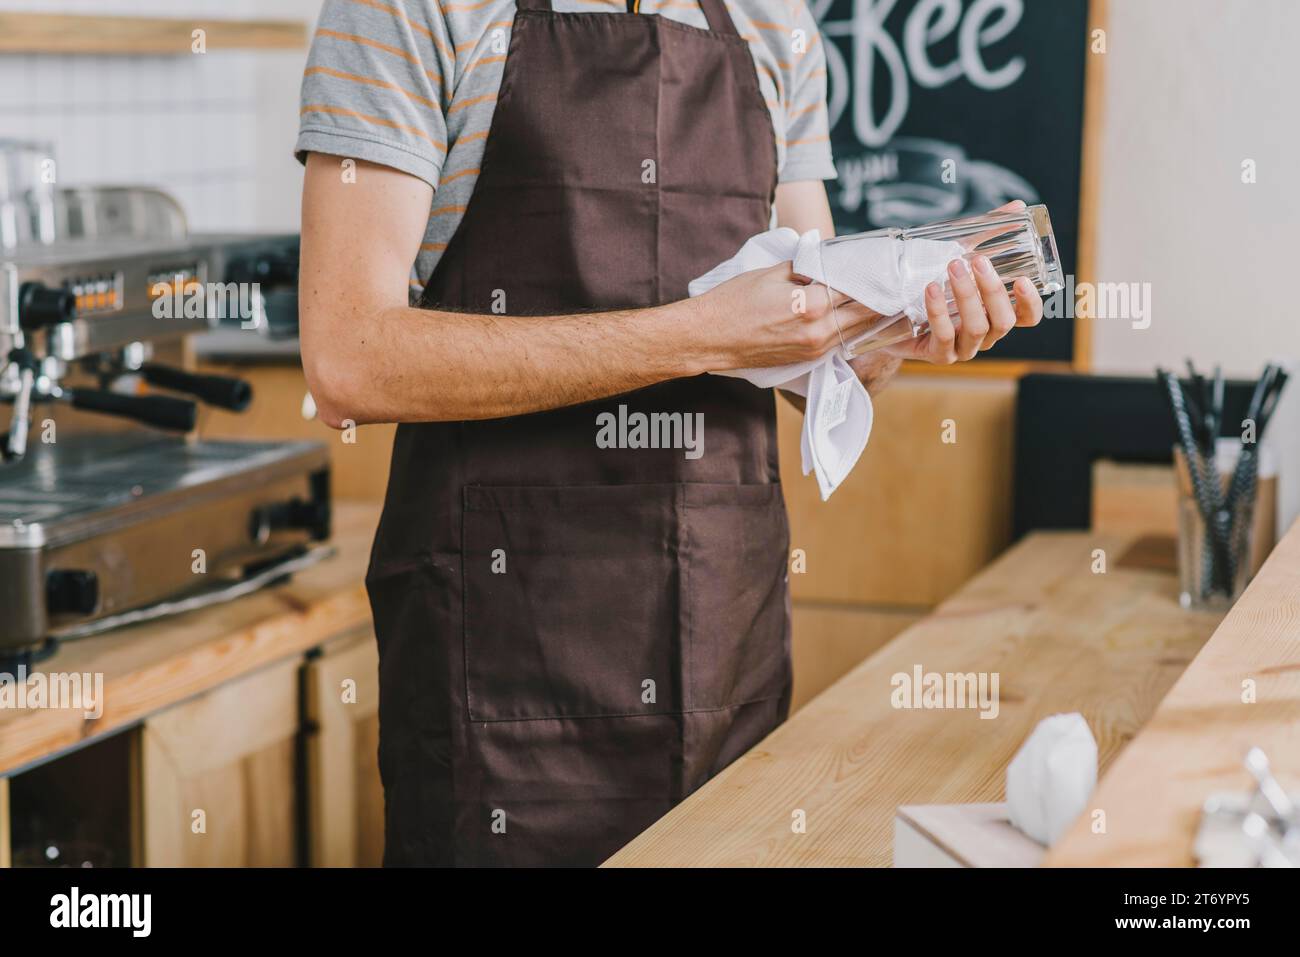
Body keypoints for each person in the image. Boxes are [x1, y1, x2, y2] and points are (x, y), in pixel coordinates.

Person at [296, 0, 1042, 867]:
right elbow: (348, 355)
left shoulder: (775, 23)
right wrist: (701, 331)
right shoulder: (405, 10)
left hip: (722, 640)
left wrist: (893, 327)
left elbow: (815, 329)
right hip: (495, 656)